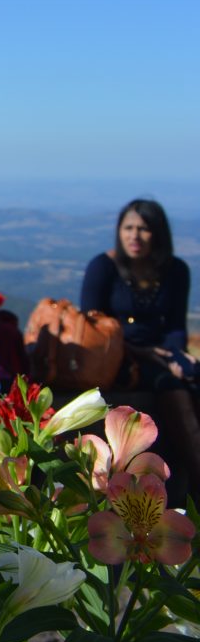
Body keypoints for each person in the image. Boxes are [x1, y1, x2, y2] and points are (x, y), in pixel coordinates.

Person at [79, 199, 200, 497]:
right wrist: (147, 354)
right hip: (117, 356)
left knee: (190, 375)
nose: (135, 236)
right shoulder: (103, 267)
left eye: (143, 229)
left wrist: (175, 354)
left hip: (161, 352)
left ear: (158, 234)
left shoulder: (175, 270)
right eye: (128, 228)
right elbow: (92, 327)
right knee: (171, 385)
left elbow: (175, 325)